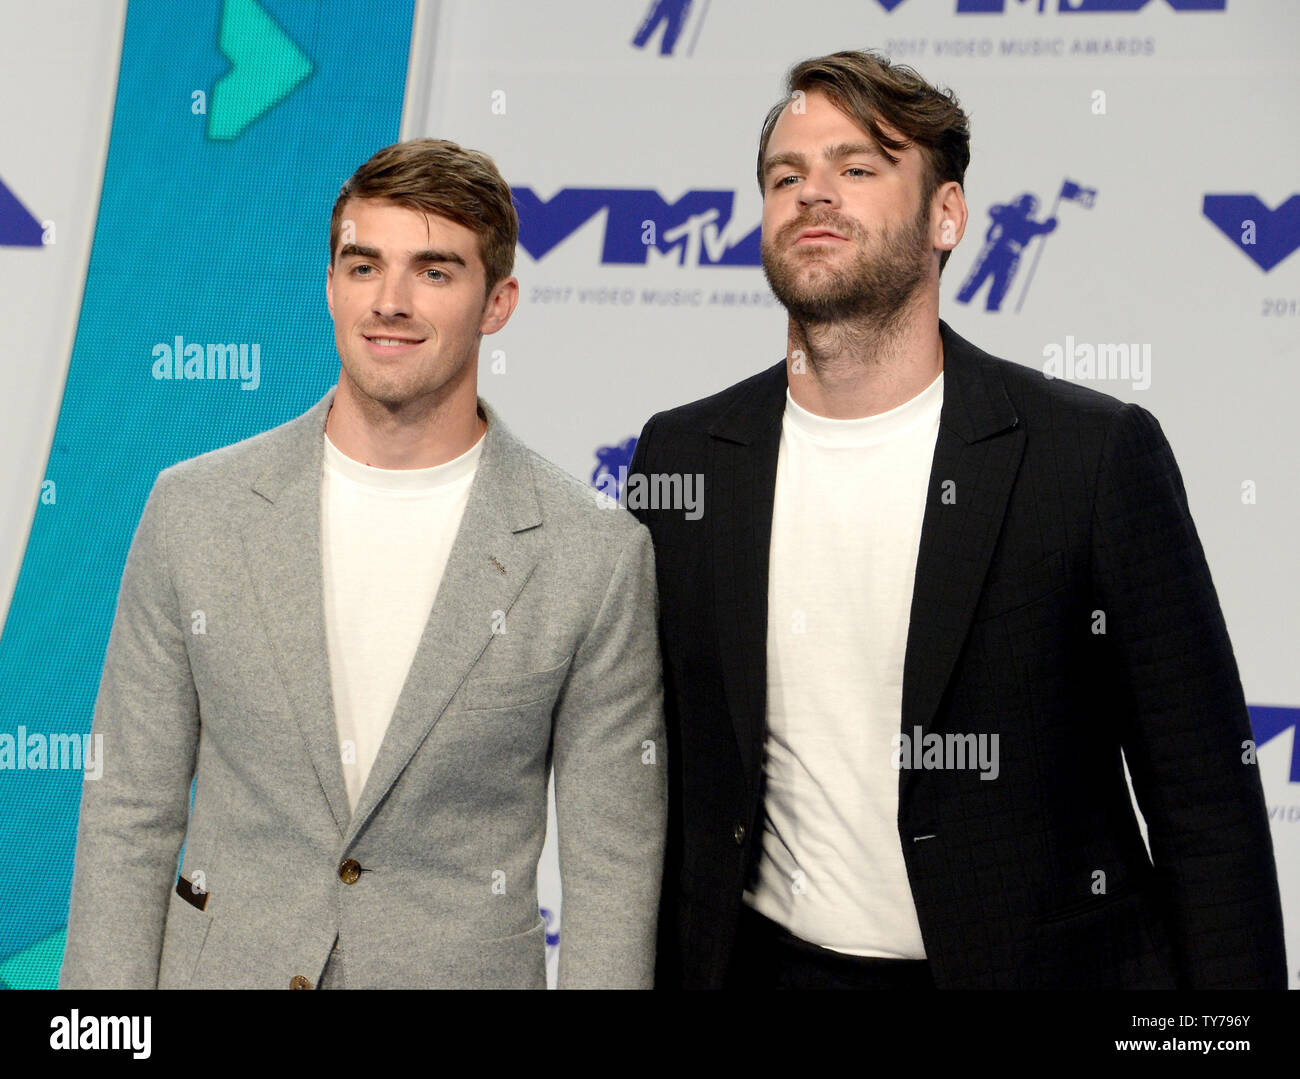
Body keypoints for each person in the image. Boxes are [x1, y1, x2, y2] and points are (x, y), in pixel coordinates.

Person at [628, 50, 1285, 989]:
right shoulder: (685, 457)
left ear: (947, 216)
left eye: (857, 169)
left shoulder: (1089, 455)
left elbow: (1206, 800)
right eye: (787, 176)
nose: (814, 195)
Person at [60, 138, 666, 989]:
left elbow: (613, 866)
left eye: (434, 271)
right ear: (331, 284)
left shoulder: (593, 553)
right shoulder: (194, 510)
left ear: (499, 303)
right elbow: (128, 812)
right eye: (363, 265)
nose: (390, 301)